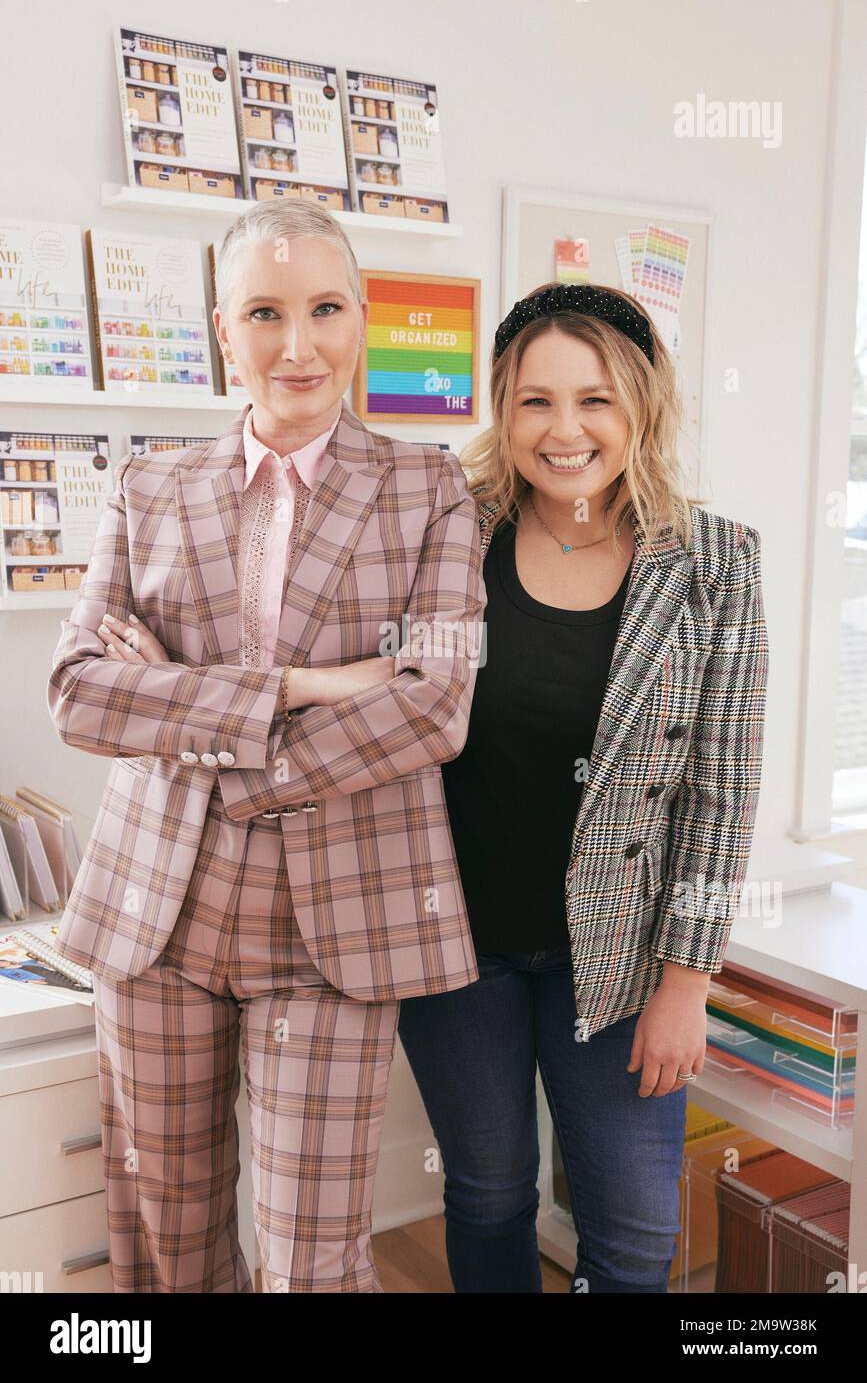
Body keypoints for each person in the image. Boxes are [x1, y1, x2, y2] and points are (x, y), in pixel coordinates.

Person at [46, 198, 486, 1293]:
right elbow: (78, 695)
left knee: (312, 1262)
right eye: (265, 313)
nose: (300, 345)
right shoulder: (150, 488)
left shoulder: (430, 492)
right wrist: (298, 686)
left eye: (326, 308)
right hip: (156, 917)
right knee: (169, 1239)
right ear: (221, 331)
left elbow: (435, 706)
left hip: (333, 929)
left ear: (363, 317)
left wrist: (194, 719)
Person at [397, 282, 770, 1293]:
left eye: (595, 399)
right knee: (486, 1195)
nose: (565, 430)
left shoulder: (715, 563)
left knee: (639, 1234)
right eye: (535, 400)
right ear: (501, 407)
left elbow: (722, 793)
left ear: (642, 404)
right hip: (453, 947)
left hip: (622, 962)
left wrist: (687, 985)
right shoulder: (444, 531)